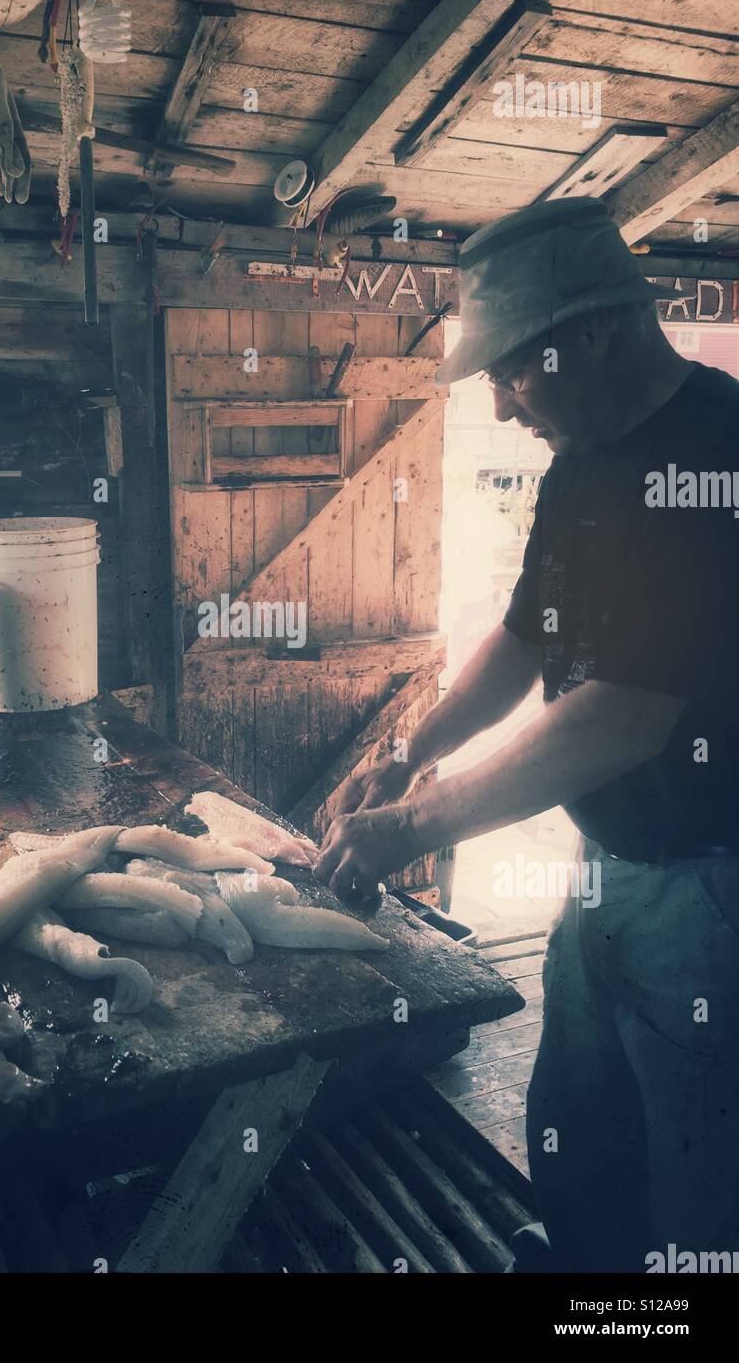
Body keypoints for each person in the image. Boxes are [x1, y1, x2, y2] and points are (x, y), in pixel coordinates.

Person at [314, 196, 739, 1272]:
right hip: (607, 865)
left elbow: (626, 716)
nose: (501, 405)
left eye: (511, 370)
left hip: (708, 886)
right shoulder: (579, 459)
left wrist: (414, 824)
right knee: (579, 1106)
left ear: (592, 332)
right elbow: (522, 640)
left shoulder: (713, 456)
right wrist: (405, 752)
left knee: (696, 1164)